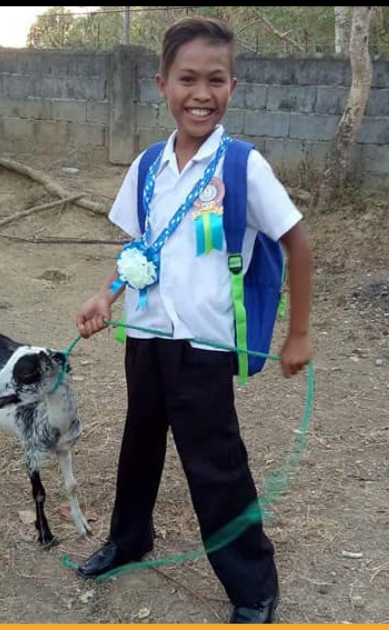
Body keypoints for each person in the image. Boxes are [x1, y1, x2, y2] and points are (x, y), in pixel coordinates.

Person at [73, 16, 313, 625]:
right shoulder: (148, 165)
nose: (200, 94)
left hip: (204, 346)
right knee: (139, 443)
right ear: (163, 85)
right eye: (187, 79)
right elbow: (141, 248)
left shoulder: (243, 167)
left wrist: (299, 333)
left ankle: (253, 587)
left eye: (215, 80)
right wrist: (107, 294)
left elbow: (297, 241)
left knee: (215, 465)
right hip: (147, 335)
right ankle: (130, 539)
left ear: (233, 86)